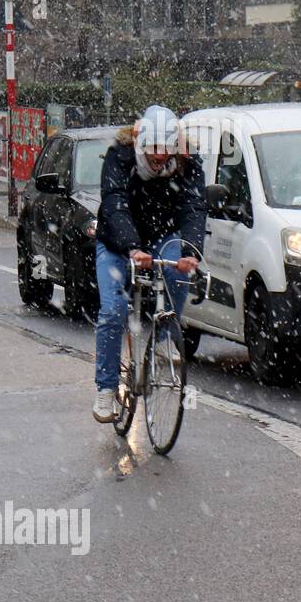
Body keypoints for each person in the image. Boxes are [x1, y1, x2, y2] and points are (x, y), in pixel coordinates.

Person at [92, 105, 207, 423]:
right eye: (152, 150)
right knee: (112, 310)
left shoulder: (187, 162)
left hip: (161, 235)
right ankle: (106, 387)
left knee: (177, 270)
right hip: (117, 242)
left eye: (165, 150)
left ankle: (163, 337)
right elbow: (115, 202)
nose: (159, 158)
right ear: (140, 143)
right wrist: (131, 246)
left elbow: (194, 205)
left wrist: (191, 251)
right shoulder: (120, 157)